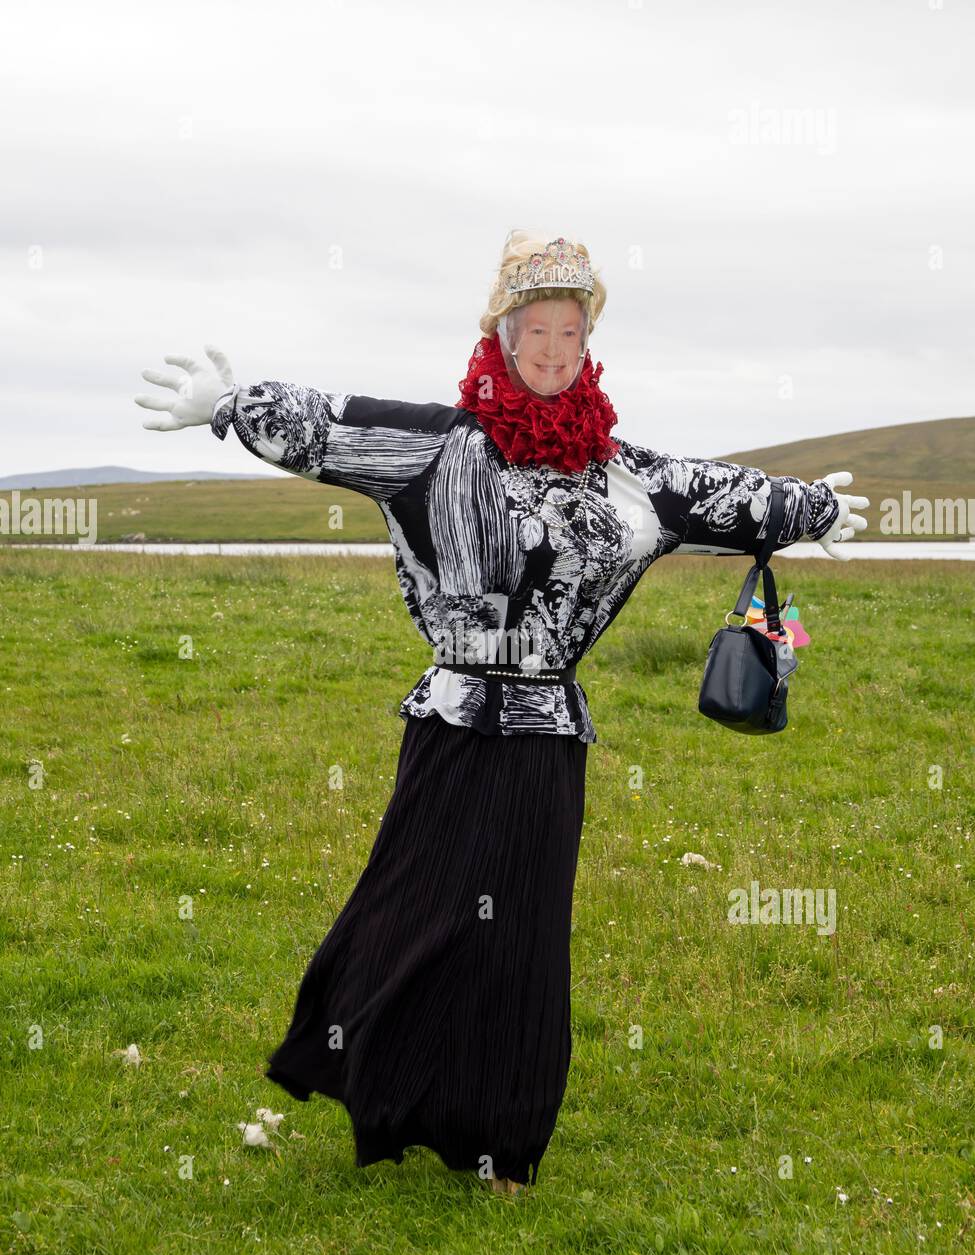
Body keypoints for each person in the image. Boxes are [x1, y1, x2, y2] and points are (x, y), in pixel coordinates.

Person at [134, 229, 868, 1196]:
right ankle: (380, 1081)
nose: (555, 349)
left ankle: (504, 1145)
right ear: (503, 332)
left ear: (587, 340)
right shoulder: (440, 448)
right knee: (411, 913)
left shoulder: (621, 472)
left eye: (571, 331)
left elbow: (717, 491)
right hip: (450, 723)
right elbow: (331, 424)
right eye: (537, 329)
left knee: (520, 938)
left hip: (546, 740)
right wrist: (228, 405)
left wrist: (806, 508)